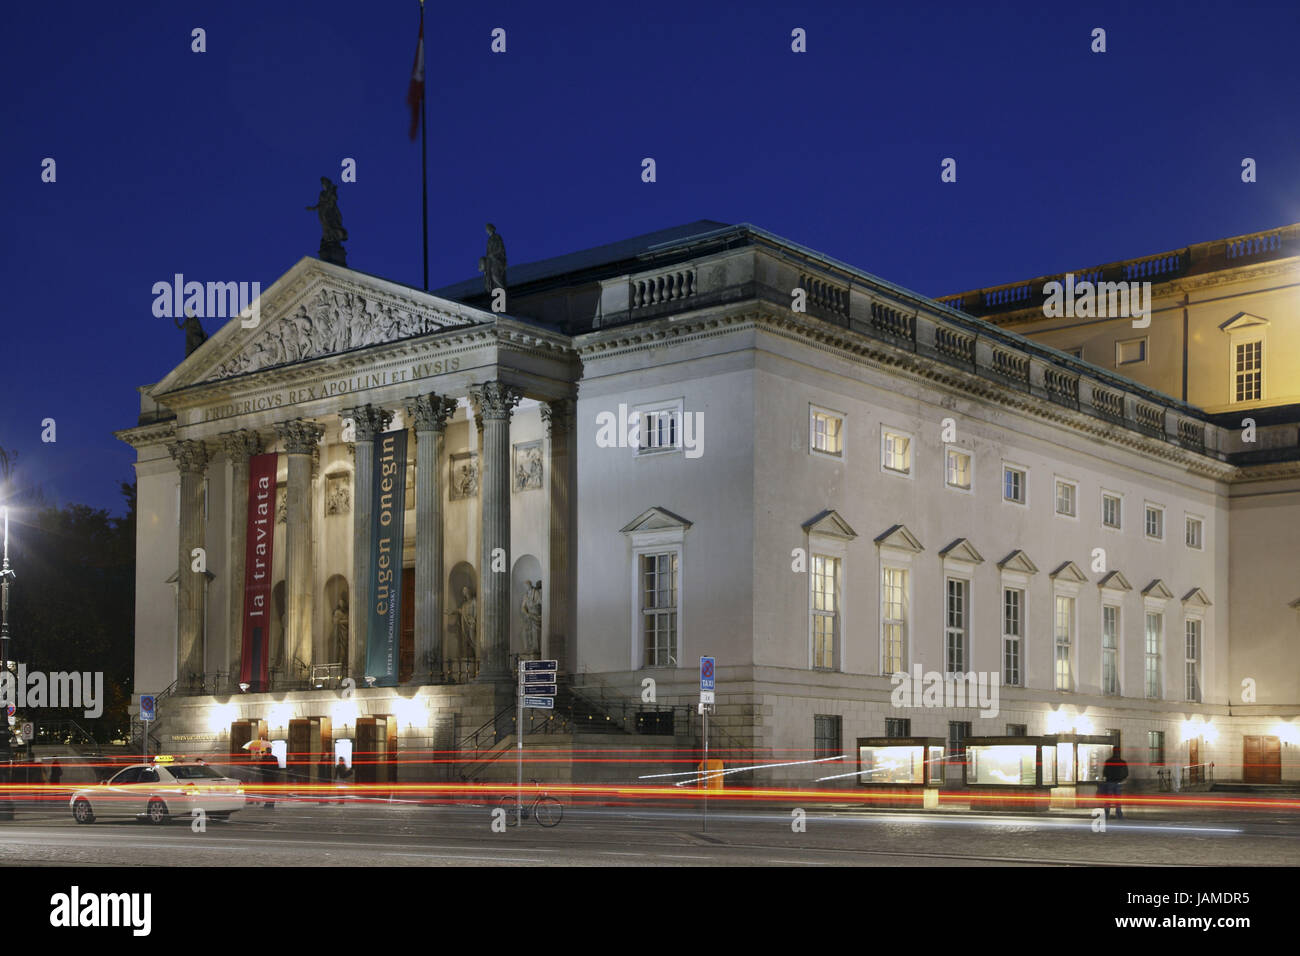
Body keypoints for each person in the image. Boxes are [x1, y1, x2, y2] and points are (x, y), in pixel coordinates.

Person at [1101, 747, 1129, 819]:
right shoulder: (1122, 762)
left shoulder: (1108, 761)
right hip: (1118, 782)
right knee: (1118, 800)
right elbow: (1126, 773)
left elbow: (1104, 772)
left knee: (1108, 800)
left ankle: (1106, 814)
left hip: (1109, 782)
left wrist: (1108, 777)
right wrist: (1122, 779)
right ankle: (1119, 814)